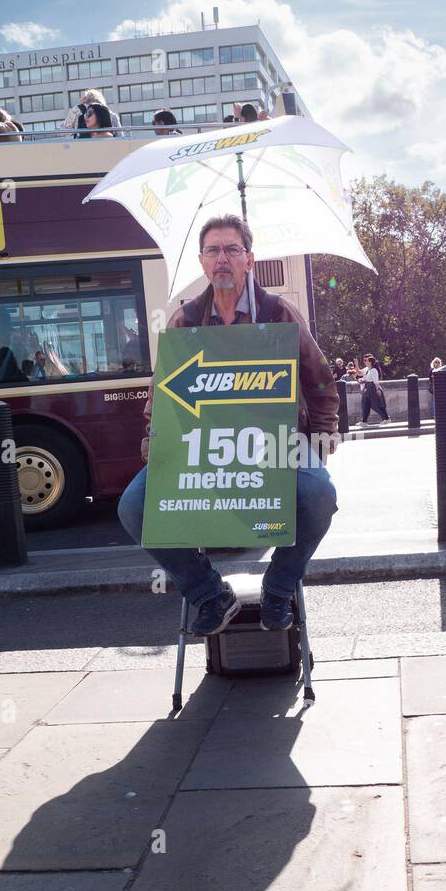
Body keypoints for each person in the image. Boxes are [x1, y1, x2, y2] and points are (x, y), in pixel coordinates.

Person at [117, 214, 340, 635]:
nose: (223, 258)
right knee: (133, 507)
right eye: (213, 250)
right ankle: (209, 594)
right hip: (200, 448)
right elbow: (161, 392)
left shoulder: (277, 312)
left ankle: (279, 586)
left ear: (249, 260)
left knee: (319, 494)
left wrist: (324, 430)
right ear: (202, 262)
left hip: (275, 444)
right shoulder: (185, 320)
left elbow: (321, 377)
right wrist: (154, 435)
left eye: (232, 249)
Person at [359, 354, 390, 423]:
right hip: (368, 388)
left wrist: (377, 390)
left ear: (370, 362)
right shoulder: (368, 370)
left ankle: (386, 418)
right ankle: (364, 421)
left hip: (372, 388)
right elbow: (366, 379)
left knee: (376, 405)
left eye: (366, 360)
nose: (365, 362)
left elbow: (376, 381)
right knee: (365, 404)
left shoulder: (373, 370)